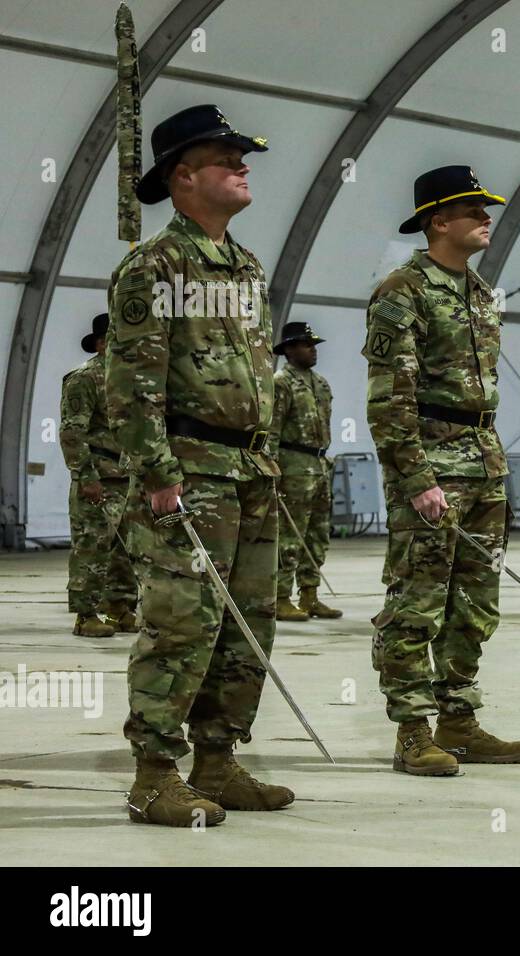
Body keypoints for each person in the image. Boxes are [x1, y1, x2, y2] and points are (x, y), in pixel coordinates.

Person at [105, 104, 292, 826]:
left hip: (250, 472)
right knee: (181, 623)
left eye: (242, 157)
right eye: (226, 158)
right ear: (183, 178)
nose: (242, 167)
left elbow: (255, 374)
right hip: (189, 469)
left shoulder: (246, 265)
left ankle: (218, 758)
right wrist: (158, 476)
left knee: (247, 623)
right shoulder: (154, 268)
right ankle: (154, 773)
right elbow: (134, 384)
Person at [364, 165, 520, 776]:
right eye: (474, 210)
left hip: (483, 460)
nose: (486, 218)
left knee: (475, 600)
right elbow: (388, 398)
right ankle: (412, 729)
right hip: (432, 463)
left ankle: (458, 720)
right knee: (417, 599)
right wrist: (417, 479)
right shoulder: (402, 291)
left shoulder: (482, 292)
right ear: (439, 221)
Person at [61, 312, 138, 637]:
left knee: (126, 549)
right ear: (102, 342)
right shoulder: (85, 379)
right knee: (92, 547)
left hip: (127, 478)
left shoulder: (131, 380)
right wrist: (86, 475)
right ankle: (86, 614)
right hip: (100, 476)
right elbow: (72, 433)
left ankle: (120, 607)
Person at [269, 321, 341, 620]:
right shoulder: (280, 383)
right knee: (289, 536)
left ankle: (309, 595)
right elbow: (272, 429)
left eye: (313, 344)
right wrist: (271, 468)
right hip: (293, 467)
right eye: (305, 344)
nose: (312, 349)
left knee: (317, 535)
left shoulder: (321, 384)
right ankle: (281, 596)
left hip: (319, 465)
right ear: (289, 349)